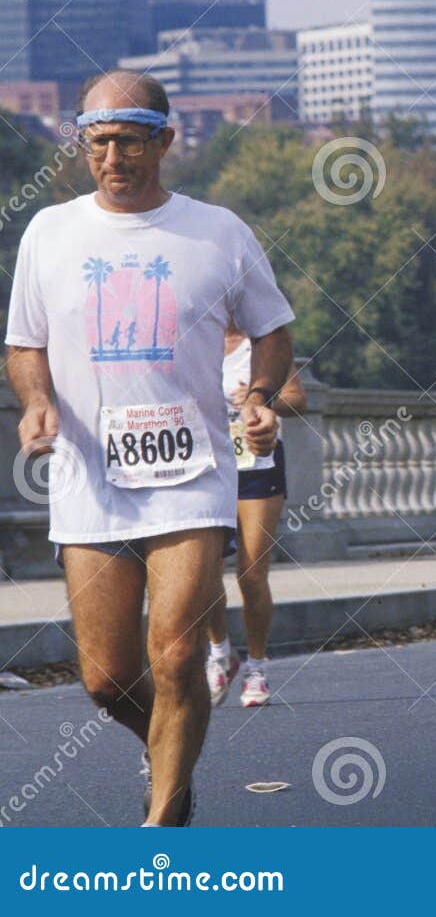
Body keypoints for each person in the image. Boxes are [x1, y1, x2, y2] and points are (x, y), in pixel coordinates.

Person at [5, 70, 294, 825]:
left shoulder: (218, 231)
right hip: (89, 479)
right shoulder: (50, 232)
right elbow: (24, 344)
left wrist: (259, 398)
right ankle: (170, 748)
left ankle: (162, 829)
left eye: (129, 142)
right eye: (97, 143)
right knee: (105, 677)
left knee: (174, 656)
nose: (113, 159)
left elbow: (274, 329)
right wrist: (36, 401)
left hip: (191, 476)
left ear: (164, 141)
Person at [204, 324, 309, 708]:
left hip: (257, 467)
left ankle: (257, 668)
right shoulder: (194, 338)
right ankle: (219, 654)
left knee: (251, 573)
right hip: (205, 467)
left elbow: (298, 399)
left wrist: (262, 401)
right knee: (202, 571)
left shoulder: (262, 345)